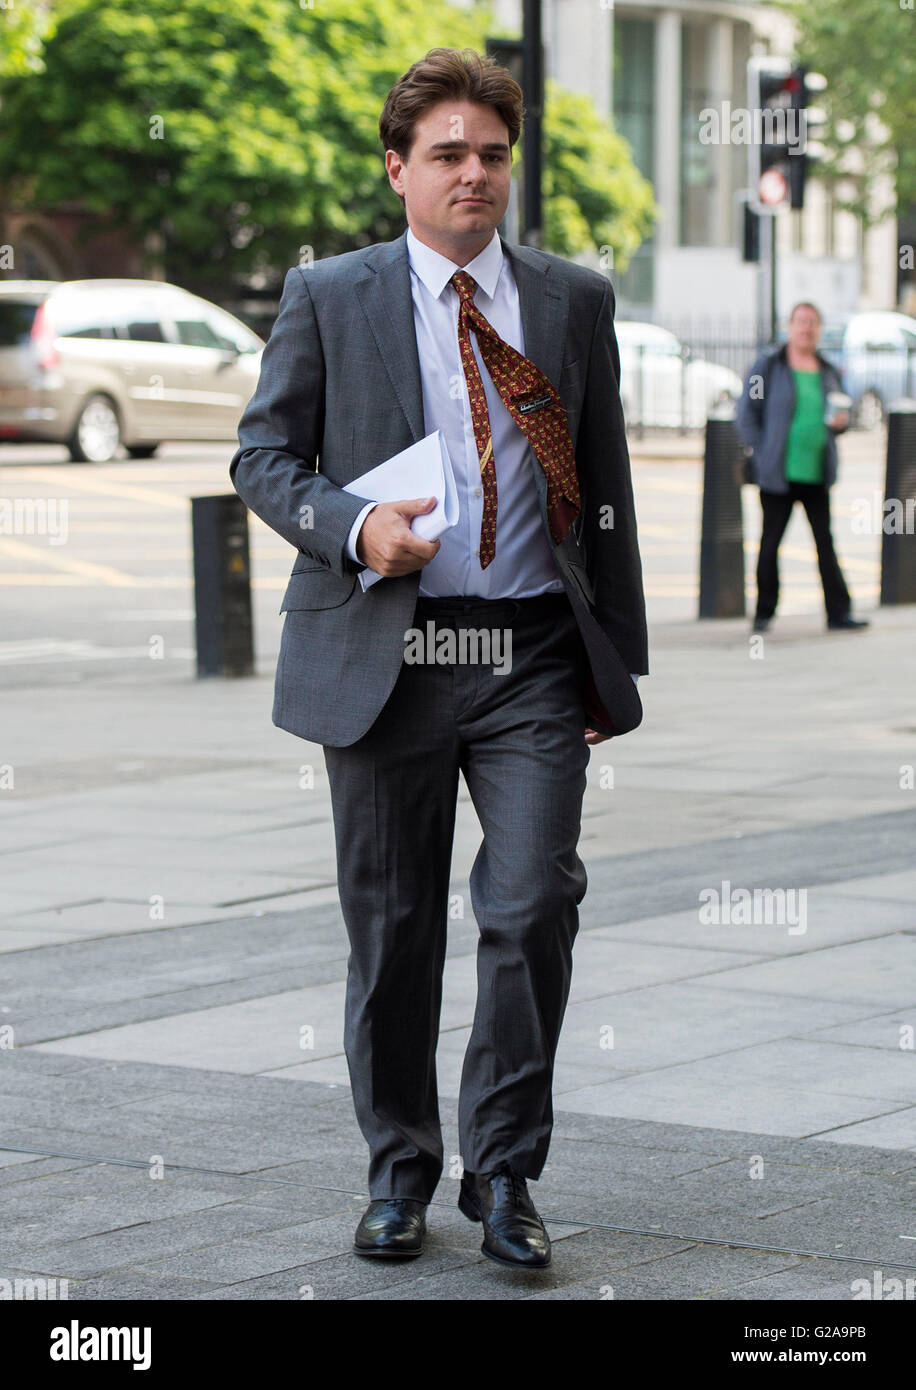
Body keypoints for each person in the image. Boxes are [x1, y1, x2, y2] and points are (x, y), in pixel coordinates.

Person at [229, 47, 648, 1271]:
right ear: (398, 169)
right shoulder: (331, 296)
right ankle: (399, 1172)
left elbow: (604, 488)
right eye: (450, 154)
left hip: (525, 655)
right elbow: (262, 458)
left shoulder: (571, 302)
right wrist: (358, 527)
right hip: (388, 653)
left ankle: (506, 1174)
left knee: (531, 907)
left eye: (493, 155)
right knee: (394, 927)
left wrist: (606, 666)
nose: (476, 173)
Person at [736, 301, 869, 634]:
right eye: (801, 322)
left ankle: (839, 613)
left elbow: (841, 416)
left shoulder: (827, 370)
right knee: (770, 543)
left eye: (812, 323)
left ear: (819, 329)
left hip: (816, 472)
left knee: (825, 542)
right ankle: (764, 612)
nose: (806, 328)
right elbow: (746, 412)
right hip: (777, 472)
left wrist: (840, 423)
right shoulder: (770, 366)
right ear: (790, 326)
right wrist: (762, 449)